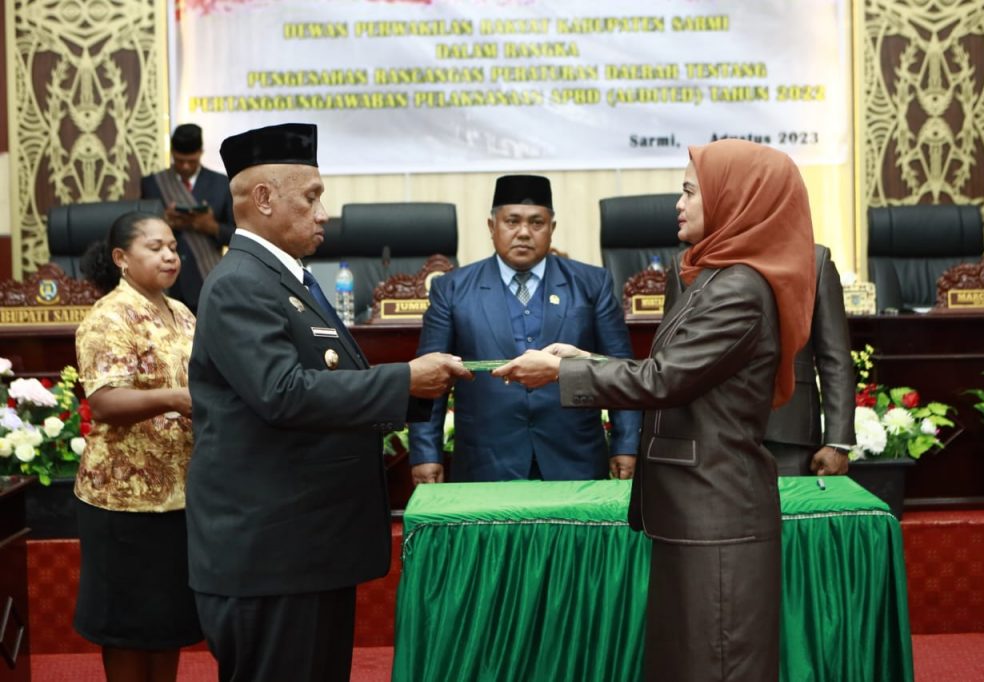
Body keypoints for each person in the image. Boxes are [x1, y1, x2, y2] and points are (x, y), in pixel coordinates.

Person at [494, 139, 816, 681]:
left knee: (714, 663)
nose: (679, 203)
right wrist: (586, 357)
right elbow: (675, 370)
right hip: (692, 512)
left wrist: (561, 373)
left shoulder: (737, 287)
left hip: (716, 514)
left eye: (691, 191)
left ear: (734, 199)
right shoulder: (710, 277)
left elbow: (665, 380)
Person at [185, 122, 470, 682]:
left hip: (305, 550)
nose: (324, 213)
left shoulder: (285, 279)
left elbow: (330, 383)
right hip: (272, 557)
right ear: (264, 199)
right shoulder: (241, 282)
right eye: (312, 196)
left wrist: (412, 391)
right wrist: (405, 380)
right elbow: (283, 393)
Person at [408, 174, 641, 483]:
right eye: (512, 221)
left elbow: (618, 366)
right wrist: (426, 452)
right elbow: (430, 379)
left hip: (574, 459)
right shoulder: (451, 289)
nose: (523, 233)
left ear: (552, 228)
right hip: (486, 462)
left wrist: (626, 444)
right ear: (492, 227)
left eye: (536, 223)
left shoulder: (591, 284)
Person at [73, 211, 201, 682]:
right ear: (122, 258)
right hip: (123, 500)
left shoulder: (182, 312)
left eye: (173, 246)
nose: (169, 255)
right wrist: (174, 399)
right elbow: (105, 401)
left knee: (165, 624)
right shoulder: (108, 317)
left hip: (179, 493)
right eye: (155, 247)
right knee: (127, 626)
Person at [764, 244, 856, 475]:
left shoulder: (814, 260)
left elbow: (834, 357)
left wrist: (838, 443)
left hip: (790, 432)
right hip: (718, 434)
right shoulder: (702, 258)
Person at [141, 123, 234, 313]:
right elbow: (141, 235)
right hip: (165, 282)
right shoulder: (152, 183)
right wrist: (164, 221)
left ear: (200, 152)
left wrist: (211, 227)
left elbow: (237, 235)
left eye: (191, 161)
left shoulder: (222, 183)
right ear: (172, 152)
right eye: (179, 160)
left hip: (205, 280)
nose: (184, 166)